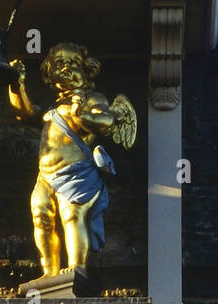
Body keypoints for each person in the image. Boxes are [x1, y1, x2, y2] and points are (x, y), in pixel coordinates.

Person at [8, 43, 137, 279]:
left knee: (72, 216)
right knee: (41, 216)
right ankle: (50, 272)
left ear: (87, 71)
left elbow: (106, 121)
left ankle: (77, 267)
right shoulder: (53, 107)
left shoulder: (91, 98)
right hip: (45, 175)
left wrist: (83, 115)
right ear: (49, 74)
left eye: (72, 64)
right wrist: (17, 86)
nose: (65, 69)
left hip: (76, 173)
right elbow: (26, 113)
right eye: (58, 65)